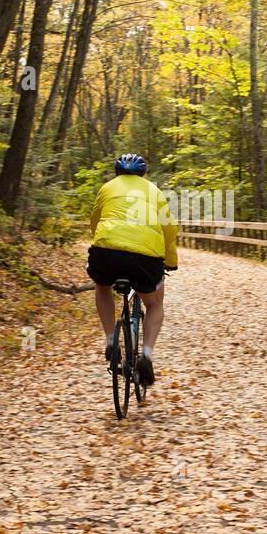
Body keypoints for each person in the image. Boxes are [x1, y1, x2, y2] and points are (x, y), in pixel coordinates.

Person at [86, 154, 177, 385]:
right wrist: (170, 261)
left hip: (106, 252)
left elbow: (95, 221)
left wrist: (103, 244)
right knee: (155, 303)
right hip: (145, 258)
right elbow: (168, 231)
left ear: (118, 172)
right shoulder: (155, 192)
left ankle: (109, 339)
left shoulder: (107, 188)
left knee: (102, 286)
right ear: (142, 174)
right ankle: (146, 353)